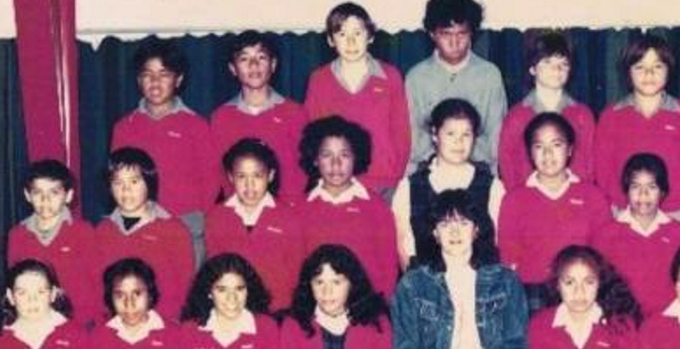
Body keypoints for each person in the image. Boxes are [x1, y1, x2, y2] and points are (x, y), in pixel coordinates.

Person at [393, 189, 528, 349]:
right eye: (445, 224)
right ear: (434, 232)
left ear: (477, 229)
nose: (454, 233)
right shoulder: (413, 284)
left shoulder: (505, 281)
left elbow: (517, 348)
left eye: (463, 223)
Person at [110, 37, 221, 264]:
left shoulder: (196, 125)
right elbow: (118, 181)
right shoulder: (124, 127)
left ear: (178, 79)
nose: (155, 82)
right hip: (140, 225)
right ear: (139, 80)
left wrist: (193, 222)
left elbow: (212, 181)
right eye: (147, 75)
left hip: (186, 226)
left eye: (164, 74)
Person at [497, 112, 610, 309]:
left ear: (570, 150)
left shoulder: (592, 196)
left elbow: (603, 251)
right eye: (539, 147)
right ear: (530, 152)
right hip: (532, 292)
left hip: (581, 291)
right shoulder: (514, 200)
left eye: (556, 145)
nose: (548, 154)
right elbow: (509, 258)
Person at [305, 3, 411, 196]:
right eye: (342, 35)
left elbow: (401, 133)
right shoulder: (319, 79)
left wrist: (395, 175)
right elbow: (314, 135)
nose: (351, 42)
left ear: (370, 36)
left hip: (383, 182)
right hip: (336, 182)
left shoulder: (390, 76)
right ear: (330, 40)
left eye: (358, 33)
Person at [594, 33, 680, 220]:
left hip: (672, 213)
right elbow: (603, 172)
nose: (649, 74)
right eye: (640, 67)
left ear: (669, 70)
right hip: (623, 213)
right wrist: (629, 203)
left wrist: (667, 201)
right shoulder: (611, 116)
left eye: (657, 67)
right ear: (628, 72)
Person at [405, 0, 507, 175]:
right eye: (446, 34)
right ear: (432, 34)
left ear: (472, 34)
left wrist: (463, 160)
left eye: (462, 33)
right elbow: (414, 139)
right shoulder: (416, 78)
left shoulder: (489, 75)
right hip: (429, 172)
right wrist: (441, 162)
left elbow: (496, 138)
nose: (454, 43)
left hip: (478, 173)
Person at [393, 98, 505, 271]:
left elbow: (499, 244)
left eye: (466, 134)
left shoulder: (492, 187)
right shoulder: (409, 187)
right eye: (451, 134)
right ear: (434, 134)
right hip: (426, 289)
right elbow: (404, 248)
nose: (459, 142)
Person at [297, 116, 399, 298]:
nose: (335, 164)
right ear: (314, 159)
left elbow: (388, 269)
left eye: (344, 155)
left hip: (366, 308)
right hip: (318, 306)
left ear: (356, 158)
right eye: (327, 155)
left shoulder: (375, 207)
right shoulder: (301, 209)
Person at [93, 148, 195, 320]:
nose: (126, 190)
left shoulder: (173, 229)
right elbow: (96, 287)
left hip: (160, 324)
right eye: (118, 183)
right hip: (113, 325)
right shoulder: (103, 230)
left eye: (134, 182)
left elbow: (184, 289)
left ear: (149, 183)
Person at [205, 138, 306, 311]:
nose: (249, 185)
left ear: (270, 176)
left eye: (257, 176)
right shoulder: (217, 217)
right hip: (233, 308)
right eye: (241, 176)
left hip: (278, 309)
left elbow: (297, 272)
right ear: (230, 177)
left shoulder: (289, 217)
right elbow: (215, 271)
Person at [210, 31, 309, 204]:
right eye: (244, 59)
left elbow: (304, 171)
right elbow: (220, 174)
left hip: (288, 211)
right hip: (240, 212)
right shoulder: (221, 117)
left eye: (261, 57)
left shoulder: (295, 113)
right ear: (233, 69)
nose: (254, 65)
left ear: (273, 64)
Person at [590, 153, 680, 317]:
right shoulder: (606, 235)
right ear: (626, 190)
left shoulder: (679, 233)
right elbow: (598, 284)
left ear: (663, 192)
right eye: (636, 187)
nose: (643, 194)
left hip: (666, 320)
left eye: (651, 187)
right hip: (620, 320)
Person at [6, 159, 100, 325]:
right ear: (27, 195)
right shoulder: (17, 235)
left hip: (76, 325)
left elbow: (97, 285)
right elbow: (16, 287)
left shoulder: (83, 232)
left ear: (68, 195)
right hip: (33, 324)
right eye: (37, 192)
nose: (45, 199)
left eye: (54, 193)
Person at [497, 31, 596, 185]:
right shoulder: (517, 116)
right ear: (532, 69)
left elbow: (590, 163)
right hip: (528, 198)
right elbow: (507, 164)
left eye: (563, 64)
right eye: (548, 62)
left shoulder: (582, 115)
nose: (557, 70)